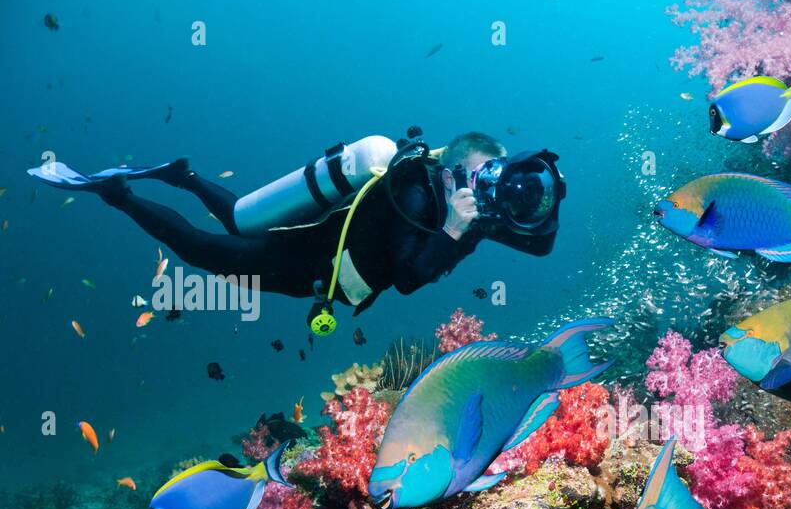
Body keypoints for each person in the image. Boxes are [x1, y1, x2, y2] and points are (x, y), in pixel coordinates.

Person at [32, 131, 562, 323]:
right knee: (204, 250)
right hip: (310, 262)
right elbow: (406, 276)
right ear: (451, 169)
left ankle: (183, 175)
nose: (486, 188)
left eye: (494, 178)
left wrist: (542, 191)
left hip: (323, 248)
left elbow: (540, 248)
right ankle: (118, 193)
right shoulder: (416, 191)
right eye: (479, 176)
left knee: (240, 219)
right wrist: (451, 231)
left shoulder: (474, 209)